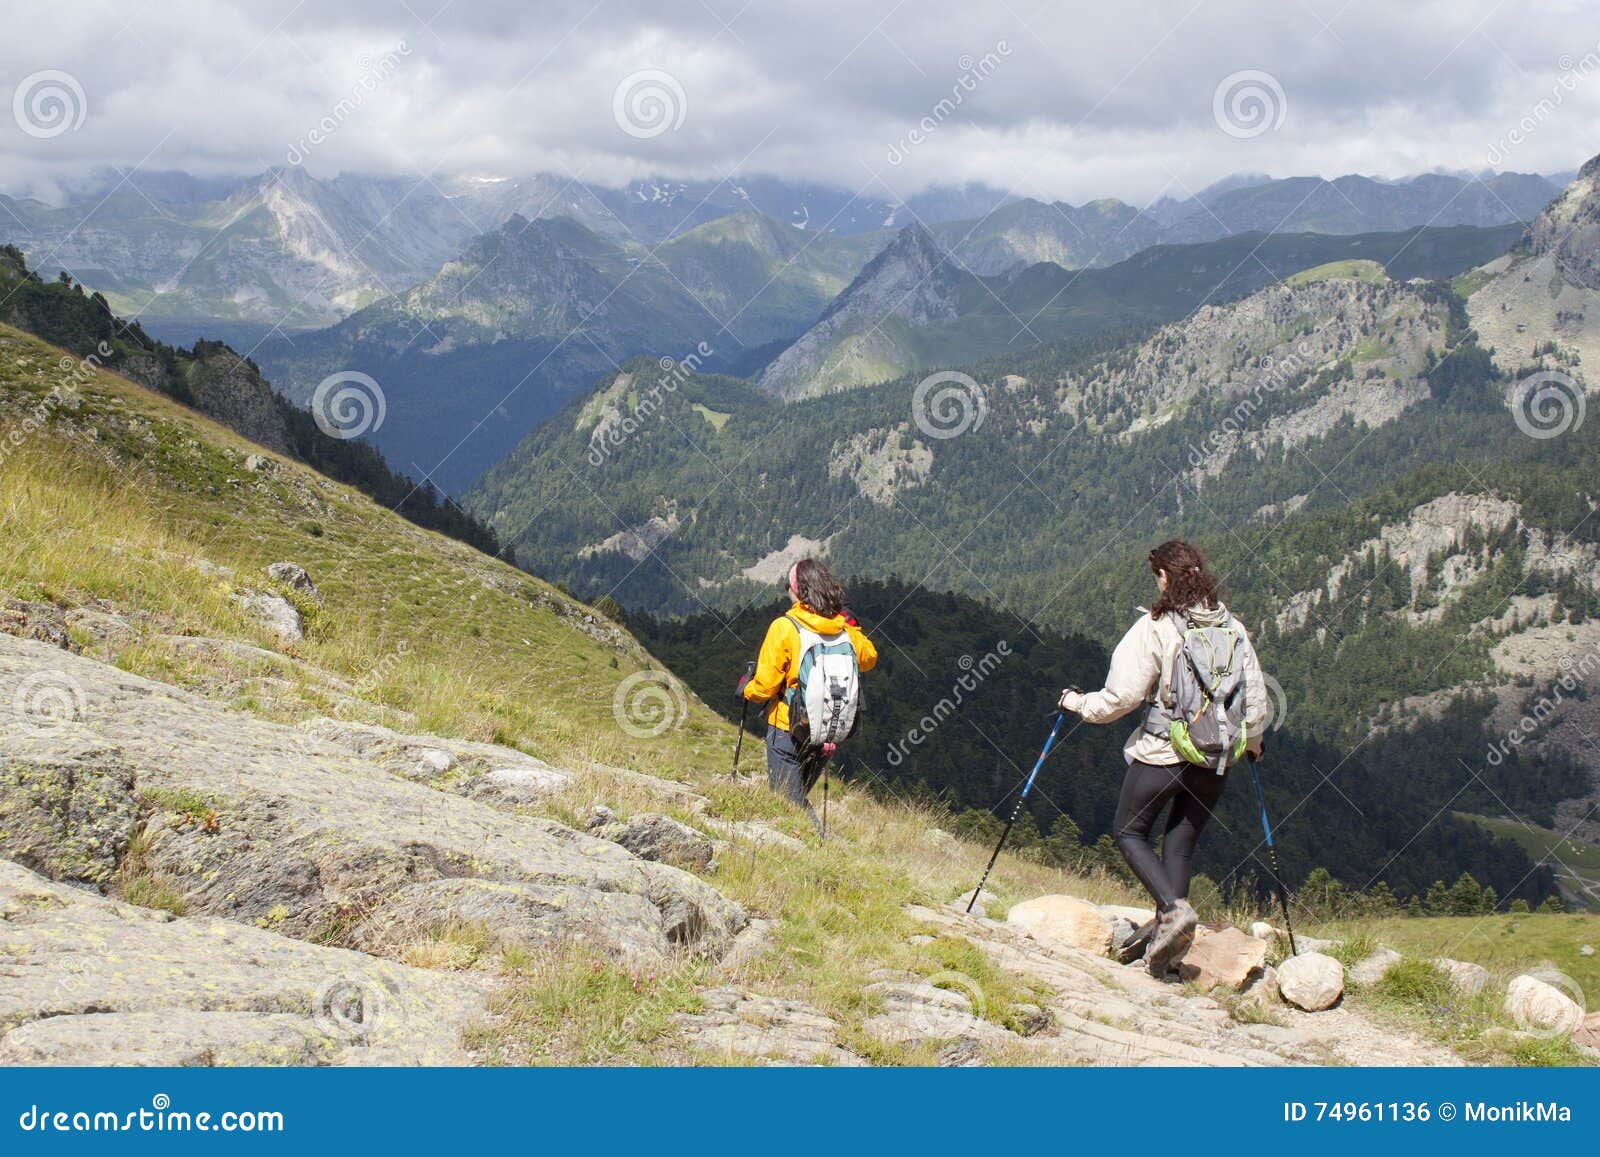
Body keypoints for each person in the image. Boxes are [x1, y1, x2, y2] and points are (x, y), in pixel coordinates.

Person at [1057, 539, 1268, 977]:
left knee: (1129, 831)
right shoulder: (1232, 626)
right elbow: (1256, 699)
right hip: (1215, 757)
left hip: (1163, 752)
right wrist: (1252, 742)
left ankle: (1171, 912)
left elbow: (1121, 697)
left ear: (1164, 577)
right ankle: (1165, 947)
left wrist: (1077, 704)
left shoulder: (1155, 627)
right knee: (1180, 844)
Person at [738, 558, 877, 833]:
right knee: (795, 797)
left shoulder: (785, 627)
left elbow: (765, 687)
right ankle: (809, 852)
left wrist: (746, 689)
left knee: (788, 804)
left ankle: (821, 852)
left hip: (787, 730)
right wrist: (852, 628)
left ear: (797, 591)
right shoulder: (844, 628)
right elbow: (869, 657)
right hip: (825, 731)